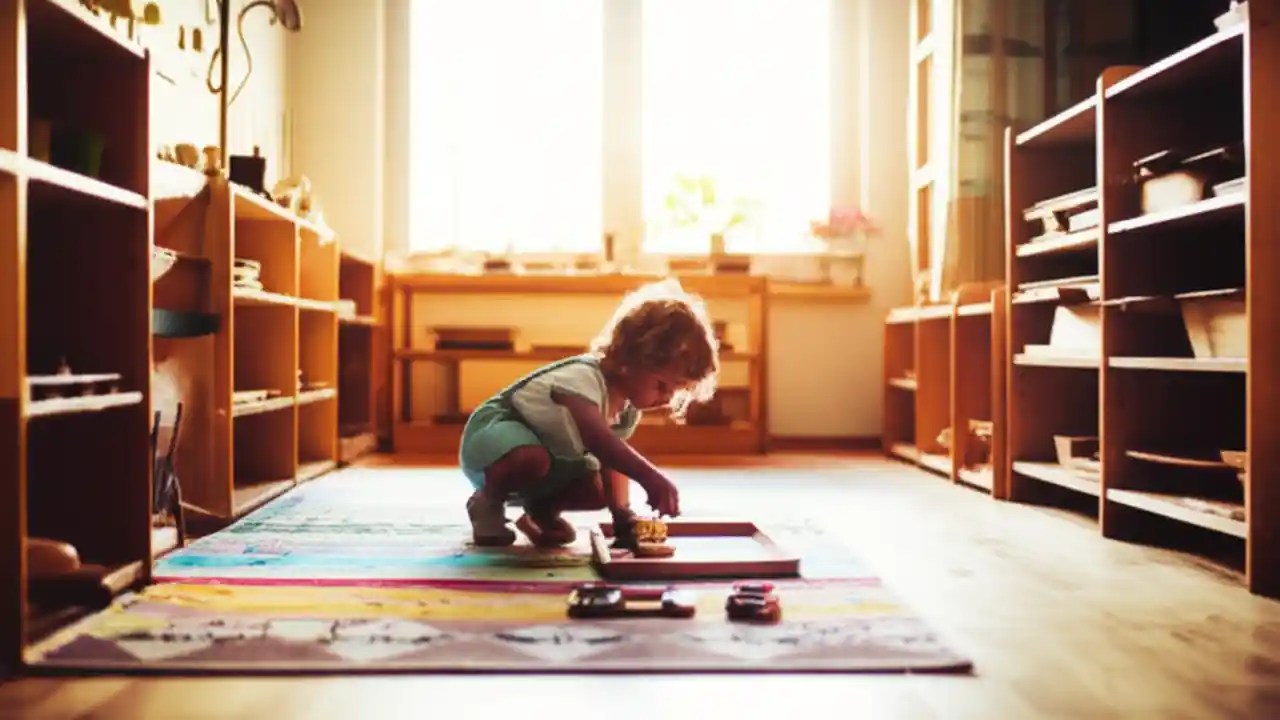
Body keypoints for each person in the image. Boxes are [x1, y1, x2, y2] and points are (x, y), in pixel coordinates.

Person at [458, 278, 720, 547]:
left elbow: (613, 461)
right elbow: (598, 439)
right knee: (531, 457)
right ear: (628, 362)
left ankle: (541, 513)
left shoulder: (626, 408)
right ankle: (487, 502)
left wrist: (623, 516)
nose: (666, 399)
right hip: (494, 442)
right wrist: (651, 478)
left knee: (597, 490)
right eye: (661, 385)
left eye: (675, 391)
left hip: (550, 460)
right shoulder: (583, 378)